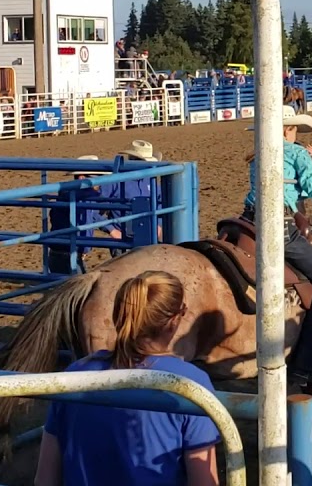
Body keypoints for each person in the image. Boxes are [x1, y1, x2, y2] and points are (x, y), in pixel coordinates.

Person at [34, 271, 219, 486]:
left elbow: (45, 479)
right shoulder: (191, 383)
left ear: (117, 317)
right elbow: (204, 480)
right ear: (174, 321)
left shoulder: (74, 374)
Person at [241, 105, 312, 393]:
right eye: (293, 129)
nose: (296, 135)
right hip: (278, 226)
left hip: (248, 218)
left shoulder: (258, 153)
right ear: (286, 129)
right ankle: (305, 368)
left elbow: (285, 186)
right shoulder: (296, 154)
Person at [45, 156, 112, 275]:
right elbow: (90, 216)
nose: (98, 184)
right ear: (82, 177)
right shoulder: (80, 196)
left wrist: (110, 229)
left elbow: (94, 215)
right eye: (95, 179)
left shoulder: (73, 195)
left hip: (63, 252)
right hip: (68, 254)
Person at [98, 140, 164, 248]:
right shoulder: (115, 182)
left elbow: (161, 203)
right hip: (123, 239)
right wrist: (112, 230)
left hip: (149, 236)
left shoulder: (150, 180)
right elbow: (93, 211)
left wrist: (158, 224)